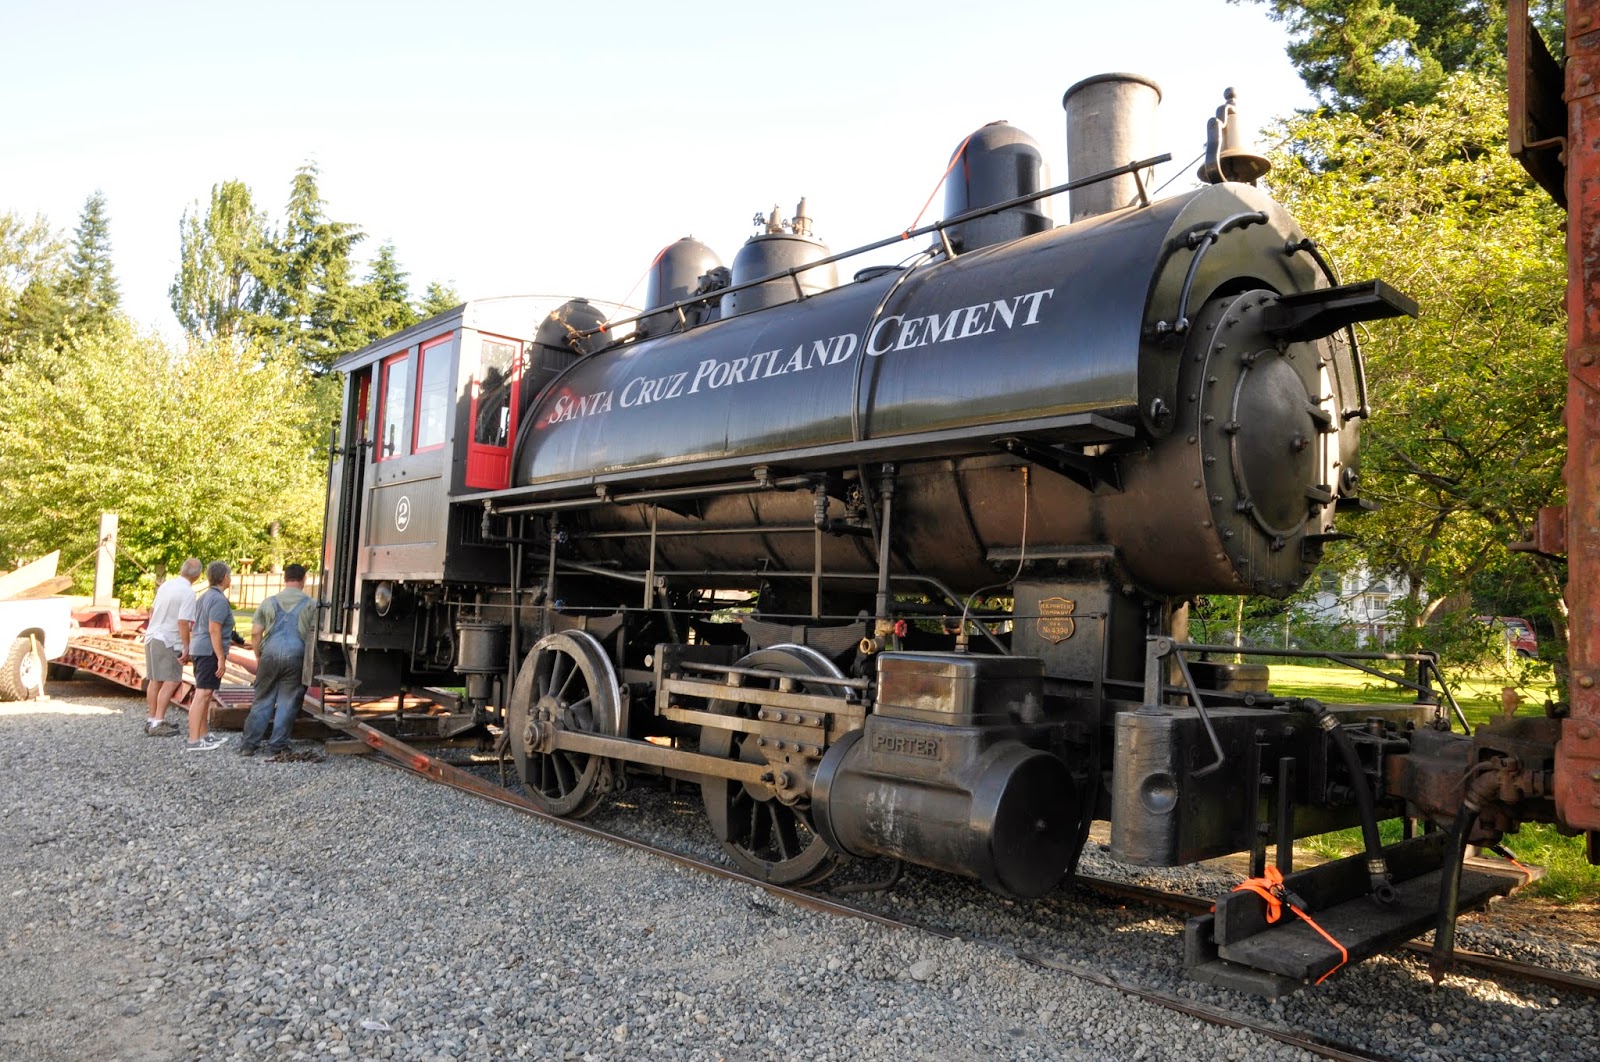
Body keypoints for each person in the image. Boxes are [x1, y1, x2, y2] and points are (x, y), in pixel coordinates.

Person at [239, 563, 316, 757]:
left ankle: (249, 745)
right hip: (296, 656)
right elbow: (314, 635)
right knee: (288, 701)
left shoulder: (268, 602)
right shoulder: (311, 604)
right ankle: (278, 745)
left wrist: (258, 654)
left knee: (262, 699)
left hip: (270, 655)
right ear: (304, 580)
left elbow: (256, 632)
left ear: (284, 578)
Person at [143, 557, 201, 736]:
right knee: (173, 679)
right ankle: (158, 722)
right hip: (169, 638)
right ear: (197, 576)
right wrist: (186, 647)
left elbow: (152, 611)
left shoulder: (166, 585)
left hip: (152, 635)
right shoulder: (188, 593)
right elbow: (183, 622)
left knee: (155, 679)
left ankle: (152, 719)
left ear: (182, 570)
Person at [185, 561, 236, 752]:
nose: (230, 579)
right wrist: (221, 657)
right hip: (208, 650)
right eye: (229, 575)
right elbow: (214, 629)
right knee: (203, 693)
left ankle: (203, 734)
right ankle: (193, 739)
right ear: (224, 577)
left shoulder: (203, 597)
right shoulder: (219, 600)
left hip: (199, 648)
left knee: (206, 694)